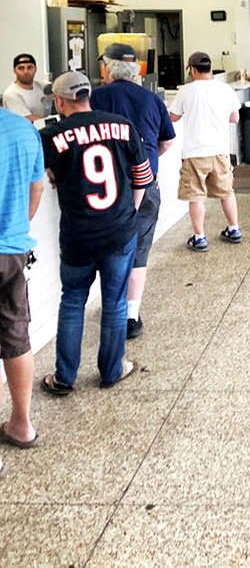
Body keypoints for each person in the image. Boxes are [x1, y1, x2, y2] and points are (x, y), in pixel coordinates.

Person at [39, 71, 154, 395]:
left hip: (77, 235)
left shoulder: (51, 135)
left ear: (60, 101)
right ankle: (112, 370)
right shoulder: (121, 125)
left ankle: (64, 378)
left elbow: (40, 176)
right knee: (115, 302)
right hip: (118, 232)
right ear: (87, 95)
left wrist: (56, 174)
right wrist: (127, 214)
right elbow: (142, 178)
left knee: (73, 301)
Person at [90, 42, 176, 340]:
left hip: (104, 189)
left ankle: (111, 307)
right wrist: (145, 162)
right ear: (135, 68)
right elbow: (166, 142)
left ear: (107, 68)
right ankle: (130, 315)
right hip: (145, 184)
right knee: (139, 250)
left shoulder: (94, 97)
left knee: (108, 248)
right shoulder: (151, 99)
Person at [0, 108, 43, 461]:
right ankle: (22, 424)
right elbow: (36, 187)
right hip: (12, 252)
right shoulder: (23, 130)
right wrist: (17, 229)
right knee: (16, 335)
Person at [169, 52, 243, 251]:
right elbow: (235, 118)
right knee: (226, 192)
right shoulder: (224, 89)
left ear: (192, 70)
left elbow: (173, 118)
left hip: (194, 153)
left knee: (196, 196)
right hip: (220, 151)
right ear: (210, 68)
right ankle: (234, 229)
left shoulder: (185, 91)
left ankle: (199, 237)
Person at [2, 53, 51, 122]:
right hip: (26, 131)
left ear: (35, 69)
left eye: (29, 67)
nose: (26, 71)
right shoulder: (11, 93)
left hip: (46, 128)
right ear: (14, 71)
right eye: (21, 68)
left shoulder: (43, 86)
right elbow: (28, 119)